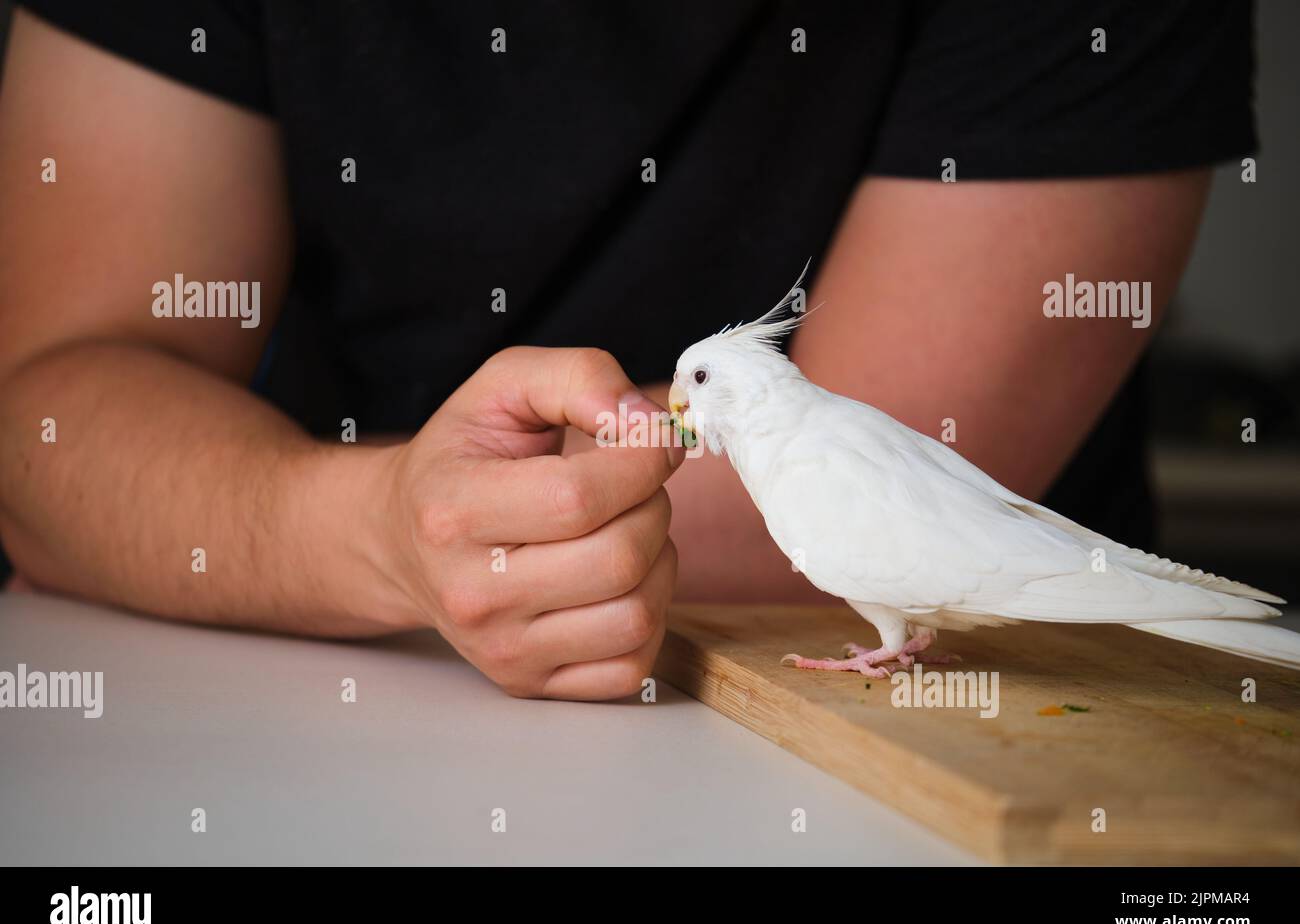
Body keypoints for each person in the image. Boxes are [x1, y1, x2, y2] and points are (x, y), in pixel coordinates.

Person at [0, 1, 1256, 699]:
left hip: (1006, 737)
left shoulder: (821, 484)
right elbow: (43, 422)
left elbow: (888, 457)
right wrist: (377, 524)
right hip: (383, 694)